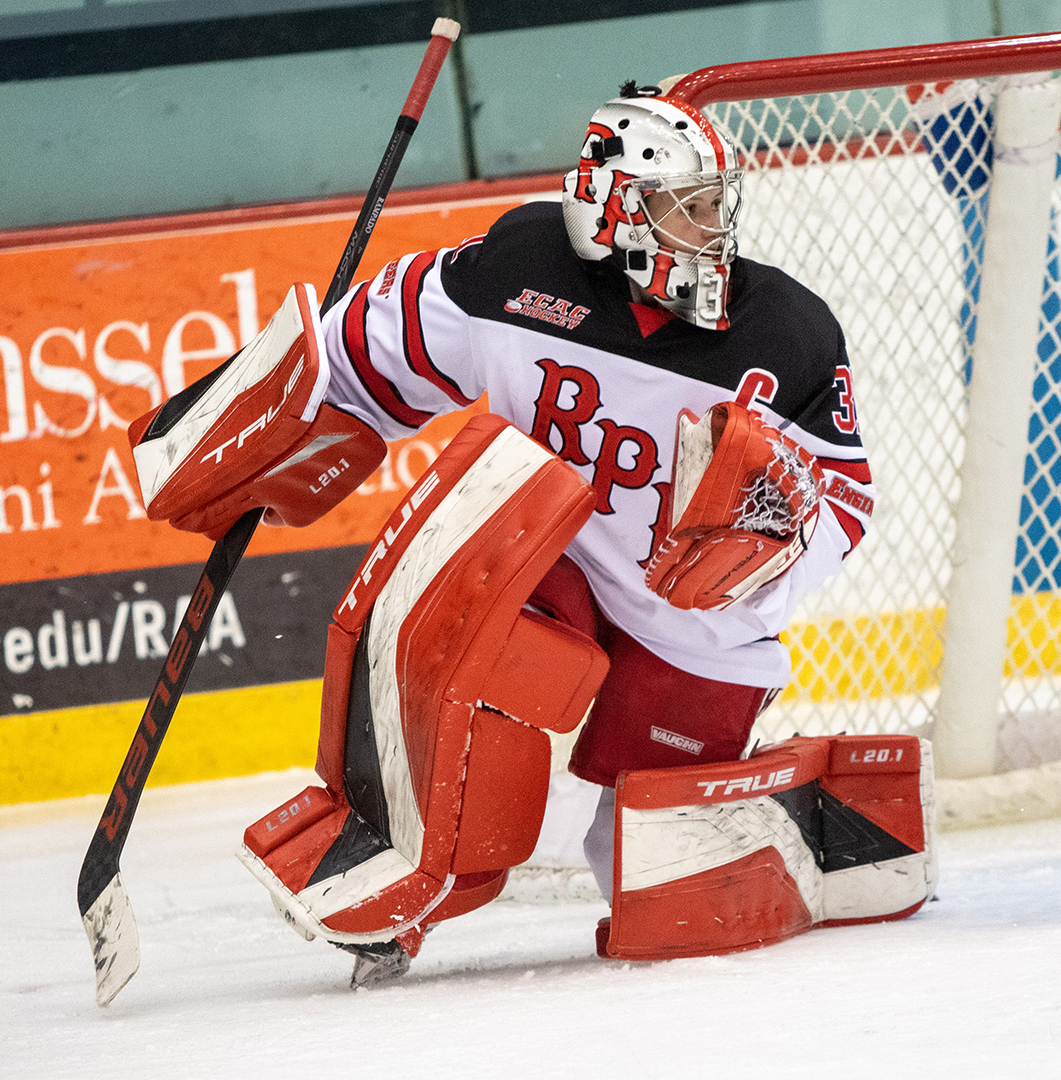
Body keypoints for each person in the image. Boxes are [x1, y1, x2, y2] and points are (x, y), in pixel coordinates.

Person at [131, 83, 905, 989]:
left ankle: (783, 802)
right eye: (682, 207)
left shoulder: (788, 330)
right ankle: (399, 859)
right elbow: (366, 347)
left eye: (712, 204)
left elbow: (845, 500)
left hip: (691, 617)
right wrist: (265, 417)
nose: (710, 228)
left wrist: (764, 564)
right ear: (616, 211)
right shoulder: (519, 270)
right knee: (460, 615)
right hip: (551, 561)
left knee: (657, 879)